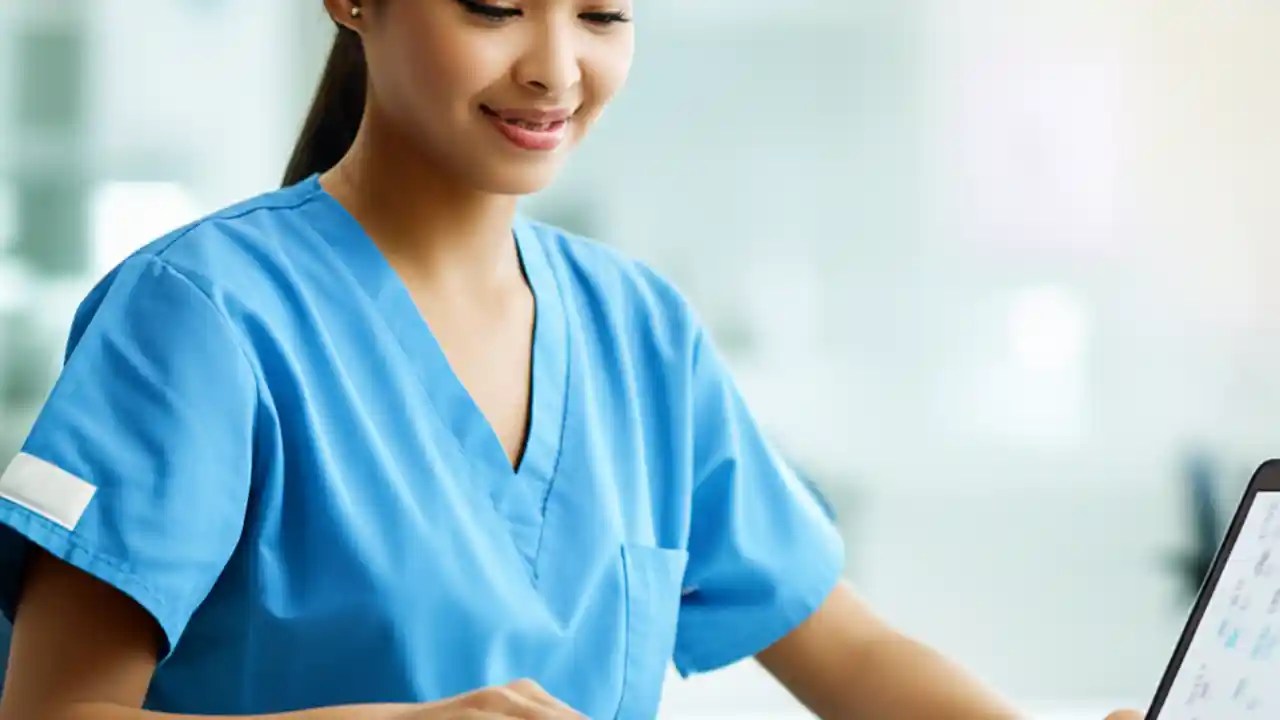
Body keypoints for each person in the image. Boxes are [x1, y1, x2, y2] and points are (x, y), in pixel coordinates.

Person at [0, 2, 1143, 718]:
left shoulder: (637, 329)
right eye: (495, 7)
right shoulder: (199, 316)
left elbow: (841, 650)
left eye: (602, 14)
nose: (556, 70)